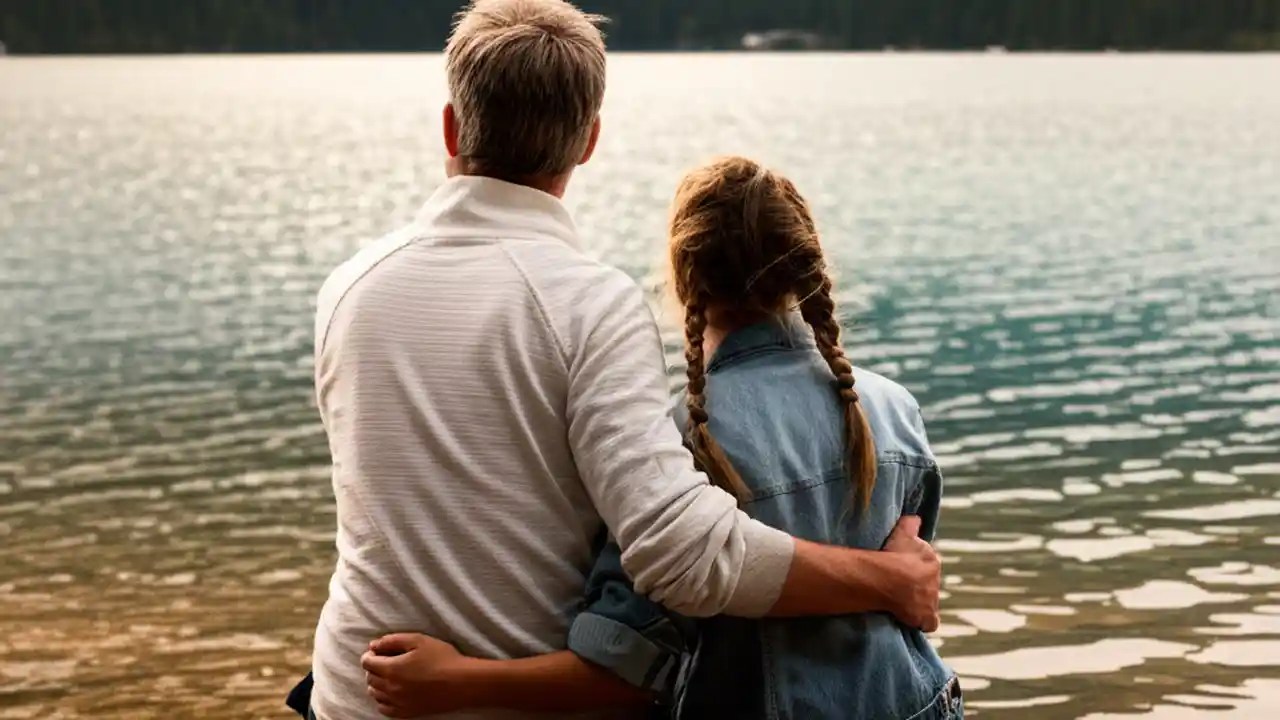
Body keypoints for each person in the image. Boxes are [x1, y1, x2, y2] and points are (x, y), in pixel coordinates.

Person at [296, 2, 941, 719]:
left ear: (450, 125)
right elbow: (686, 558)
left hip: (354, 692)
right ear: (589, 141)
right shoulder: (589, 304)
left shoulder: (349, 287)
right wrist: (886, 581)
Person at [360, 157, 962, 719]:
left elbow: (622, 670)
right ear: (808, 267)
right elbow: (911, 593)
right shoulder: (892, 410)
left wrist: (455, 679)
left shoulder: (678, 444)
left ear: (681, 278)